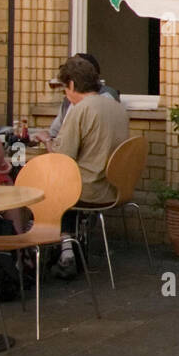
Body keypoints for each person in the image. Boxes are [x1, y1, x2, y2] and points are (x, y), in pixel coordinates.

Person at [49, 56, 130, 278]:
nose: (66, 94)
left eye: (65, 88)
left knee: (46, 186)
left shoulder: (81, 109)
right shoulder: (116, 107)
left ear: (72, 85)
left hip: (89, 188)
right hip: (114, 186)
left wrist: (47, 142)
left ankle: (61, 250)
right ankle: (72, 244)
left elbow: (62, 157)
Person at [31, 53, 120, 144]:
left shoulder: (103, 99)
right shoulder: (70, 101)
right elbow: (55, 132)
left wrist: (47, 140)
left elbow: (64, 153)